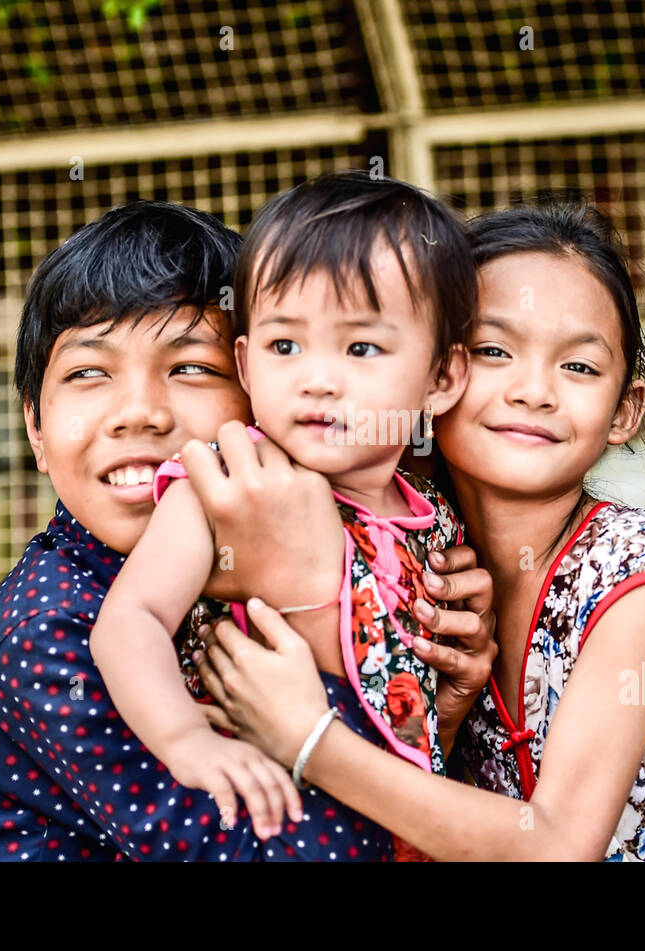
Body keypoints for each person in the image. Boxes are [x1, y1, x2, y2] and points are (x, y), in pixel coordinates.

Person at [192, 201, 645, 862]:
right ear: (432, 372)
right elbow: (423, 806)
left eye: (578, 365)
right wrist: (446, 708)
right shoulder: (410, 562)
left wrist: (309, 739)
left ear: (625, 410)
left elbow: (559, 845)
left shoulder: (635, 568)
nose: (534, 390)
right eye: (496, 351)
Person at [0, 199, 494, 861]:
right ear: (37, 431)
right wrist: (313, 608)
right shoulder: (51, 632)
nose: (139, 413)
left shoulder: (332, 523)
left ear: (254, 388)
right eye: (87, 372)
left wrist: (443, 699)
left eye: (191, 367)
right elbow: (294, 849)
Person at [90, 171, 475, 861]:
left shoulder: (434, 515)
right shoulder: (224, 486)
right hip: (270, 828)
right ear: (245, 361)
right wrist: (188, 740)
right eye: (284, 345)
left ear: (441, 378)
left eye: (360, 348)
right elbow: (129, 621)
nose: (316, 377)